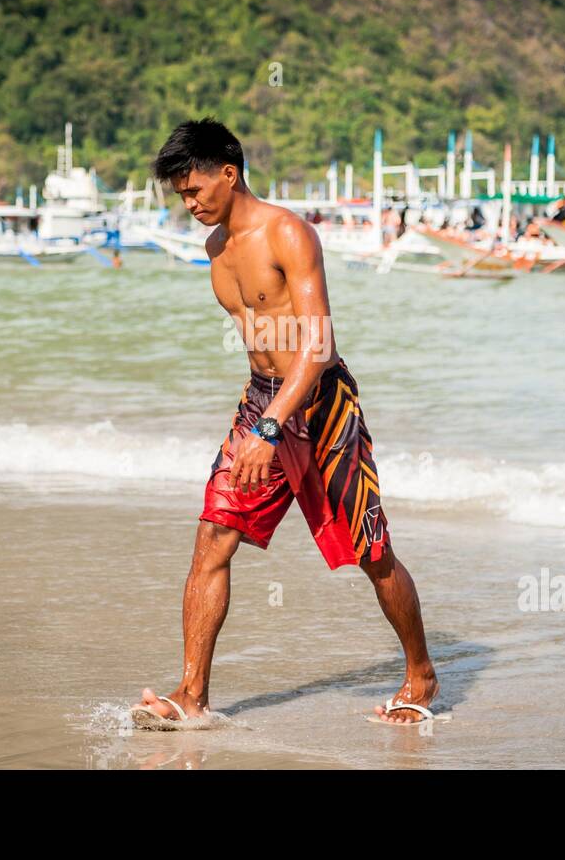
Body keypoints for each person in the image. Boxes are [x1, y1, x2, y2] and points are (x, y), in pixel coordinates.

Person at [130, 118, 438, 726]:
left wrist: (273, 428)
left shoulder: (289, 233)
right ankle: (191, 697)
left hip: (320, 403)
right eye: (181, 196)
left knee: (372, 551)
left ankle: (421, 674)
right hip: (262, 402)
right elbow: (259, 342)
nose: (189, 204)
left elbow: (317, 345)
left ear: (229, 171)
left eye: (194, 190)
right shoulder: (216, 250)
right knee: (212, 541)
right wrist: (262, 420)